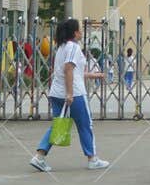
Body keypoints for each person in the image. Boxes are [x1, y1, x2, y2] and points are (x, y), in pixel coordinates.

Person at [28, 18, 108, 171]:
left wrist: (93, 75)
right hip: (74, 94)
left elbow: (73, 72)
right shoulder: (73, 47)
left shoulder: (62, 47)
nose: (81, 33)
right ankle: (92, 158)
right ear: (74, 33)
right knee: (85, 125)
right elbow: (68, 70)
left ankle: (39, 157)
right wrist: (70, 93)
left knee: (58, 125)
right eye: (79, 30)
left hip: (57, 93)